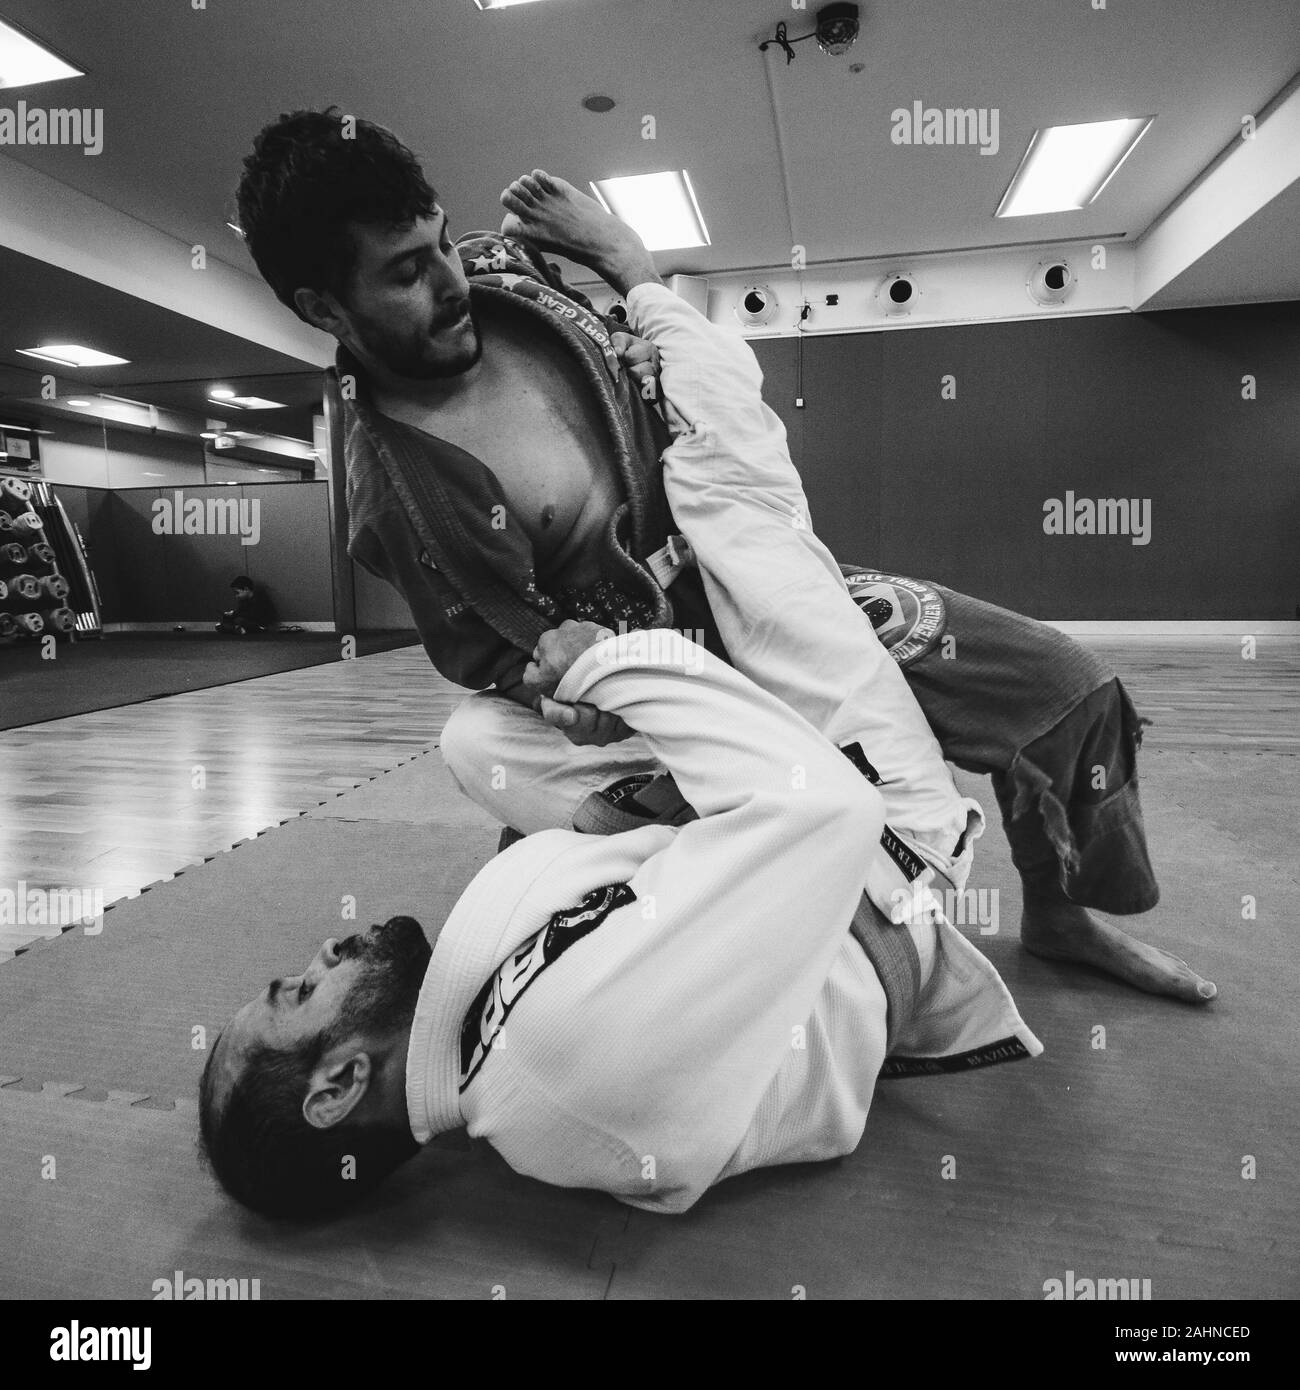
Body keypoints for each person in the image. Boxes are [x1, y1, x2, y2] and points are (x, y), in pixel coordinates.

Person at [234, 110, 1215, 1005]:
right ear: (326, 307)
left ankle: (1058, 914)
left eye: (442, 239)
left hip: (761, 577)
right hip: (665, 669)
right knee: (571, 827)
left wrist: (626, 262)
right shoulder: (397, 494)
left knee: (1067, 685)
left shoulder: (506, 278)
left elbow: (668, 353)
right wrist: (557, 685)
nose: (450, 281)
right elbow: (489, 657)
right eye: (405, 272)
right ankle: (625, 895)